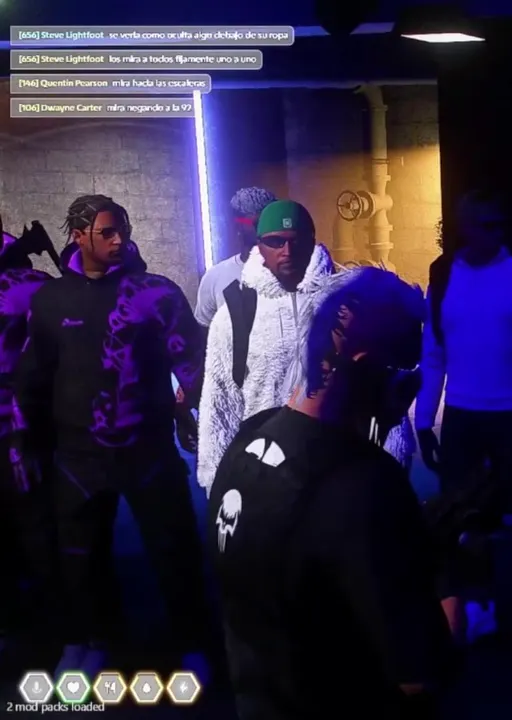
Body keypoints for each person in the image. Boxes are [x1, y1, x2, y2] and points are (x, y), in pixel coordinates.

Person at [208, 267, 456, 720]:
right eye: (407, 372)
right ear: (369, 365)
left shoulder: (246, 442)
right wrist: (449, 571)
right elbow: (420, 673)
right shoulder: (365, 484)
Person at [12, 194, 211, 678]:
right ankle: (93, 639)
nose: (120, 240)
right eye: (107, 232)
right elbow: (34, 377)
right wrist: (24, 443)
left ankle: (193, 643)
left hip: (149, 451)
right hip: (77, 456)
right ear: (79, 236)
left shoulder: (156, 294)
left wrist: (197, 410)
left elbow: (195, 361)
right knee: (81, 556)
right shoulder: (51, 300)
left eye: (123, 229)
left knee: (174, 549)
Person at [416, 192, 512, 662]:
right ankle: (481, 608)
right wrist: (424, 419)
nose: (489, 233)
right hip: (462, 416)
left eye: (496, 224)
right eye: (481, 224)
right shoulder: (444, 275)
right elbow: (434, 352)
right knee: (464, 524)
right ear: (463, 227)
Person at [197, 199, 414, 495]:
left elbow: (376, 384)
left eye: (296, 241)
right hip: (264, 467)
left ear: (312, 241)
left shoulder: (346, 306)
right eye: (276, 242)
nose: (287, 251)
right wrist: (217, 480)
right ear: (259, 245)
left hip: (340, 466)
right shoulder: (234, 315)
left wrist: (391, 460)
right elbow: (220, 402)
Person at [0, 217, 60, 657]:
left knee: (36, 528)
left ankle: (54, 629)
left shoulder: (29, 286)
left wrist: (24, 431)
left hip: (21, 429)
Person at [194, 187, 278, 327]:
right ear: (238, 225)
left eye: (269, 223)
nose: (264, 229)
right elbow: (204, 334)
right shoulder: (215, 277)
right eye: (257, 223)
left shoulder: (295, 273)